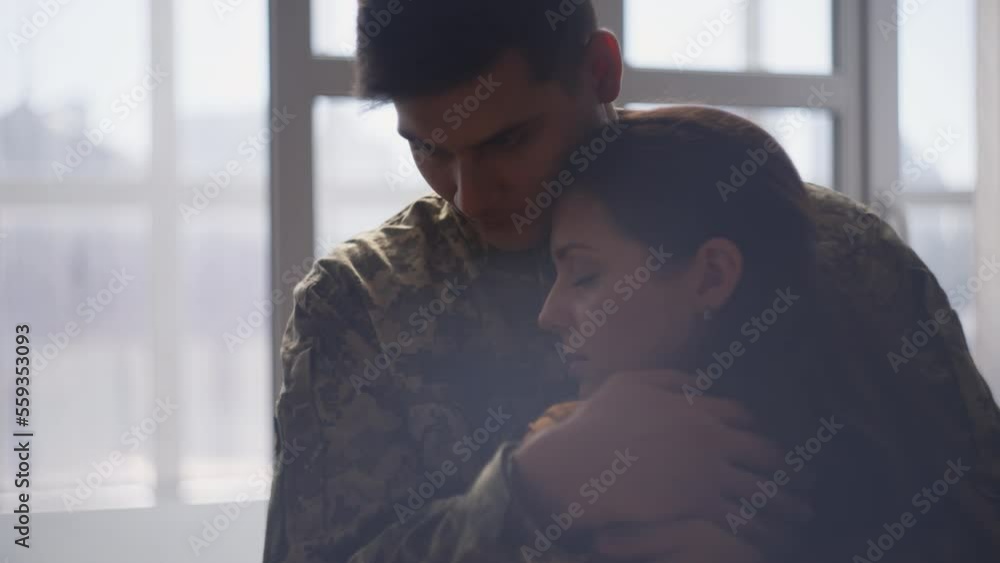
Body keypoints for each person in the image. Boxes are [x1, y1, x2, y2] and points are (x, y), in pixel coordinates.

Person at [262, 1, 1000, 562]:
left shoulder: (837, 250)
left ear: (601, 71)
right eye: (427, 149)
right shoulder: (357, 306)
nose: (470, 195)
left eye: (507, 140)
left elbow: (976, 512)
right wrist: (532, 489)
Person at [515, 106, 1000, 562]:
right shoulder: (562, 452)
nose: (548, 315)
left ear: (711, 276)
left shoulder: (864, 479)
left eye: (583, 275)